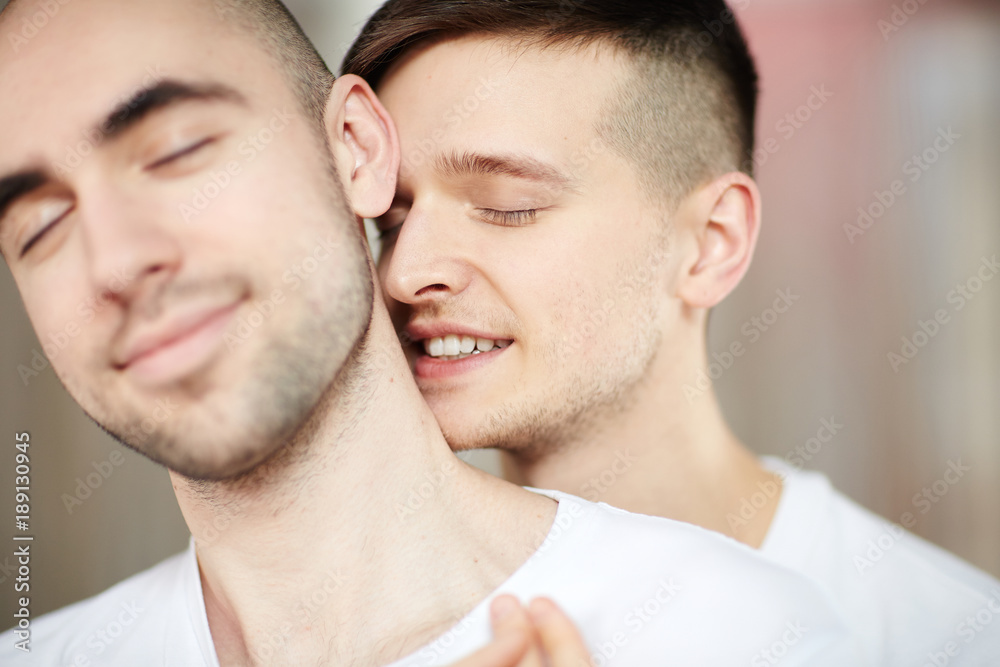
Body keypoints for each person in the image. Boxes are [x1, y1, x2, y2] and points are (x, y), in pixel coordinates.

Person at [0, 0, 856, 665]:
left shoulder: (739, 633)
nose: (112, 261)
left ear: (355, 146)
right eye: (37, 229)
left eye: (179, 149)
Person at [342, 0, 1000, 664]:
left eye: (506, 209)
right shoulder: (342, 623)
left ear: (710, 244)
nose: (405, 272)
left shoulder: (949, 638)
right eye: (390, 222)